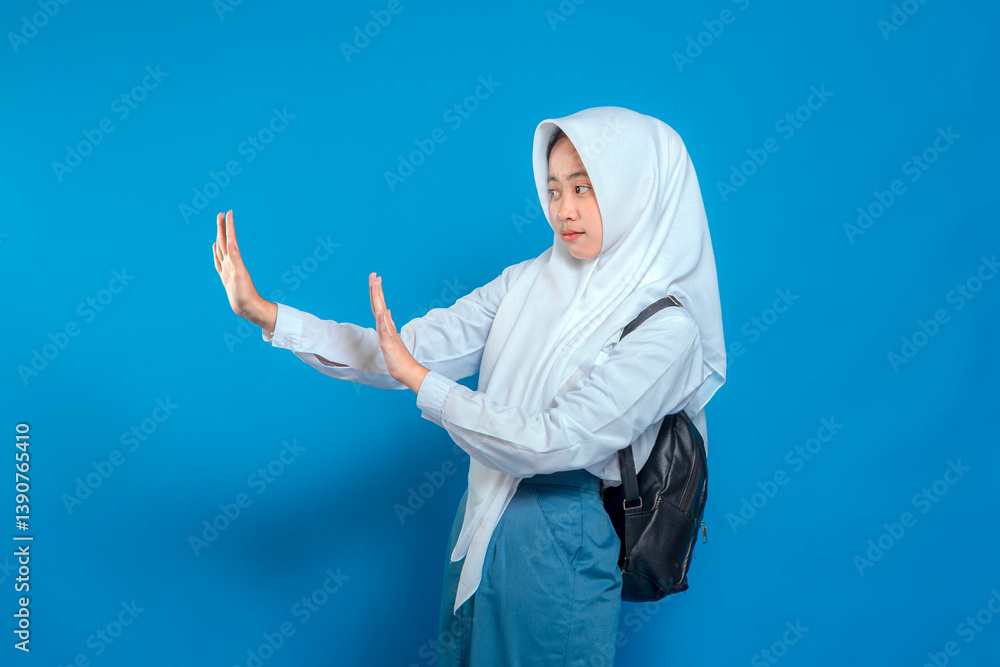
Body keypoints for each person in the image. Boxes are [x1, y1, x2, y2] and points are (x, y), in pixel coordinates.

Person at [212, 106, 726, 666]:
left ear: (638, 188)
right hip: (480, 518)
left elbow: (555, 441)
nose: (565, 209)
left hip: (561, 539)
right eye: (554, 190)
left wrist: (423, 383)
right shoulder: (528, 280)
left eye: (585, 187)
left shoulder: (668, 329)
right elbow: (402, 351)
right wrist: (269, 315)